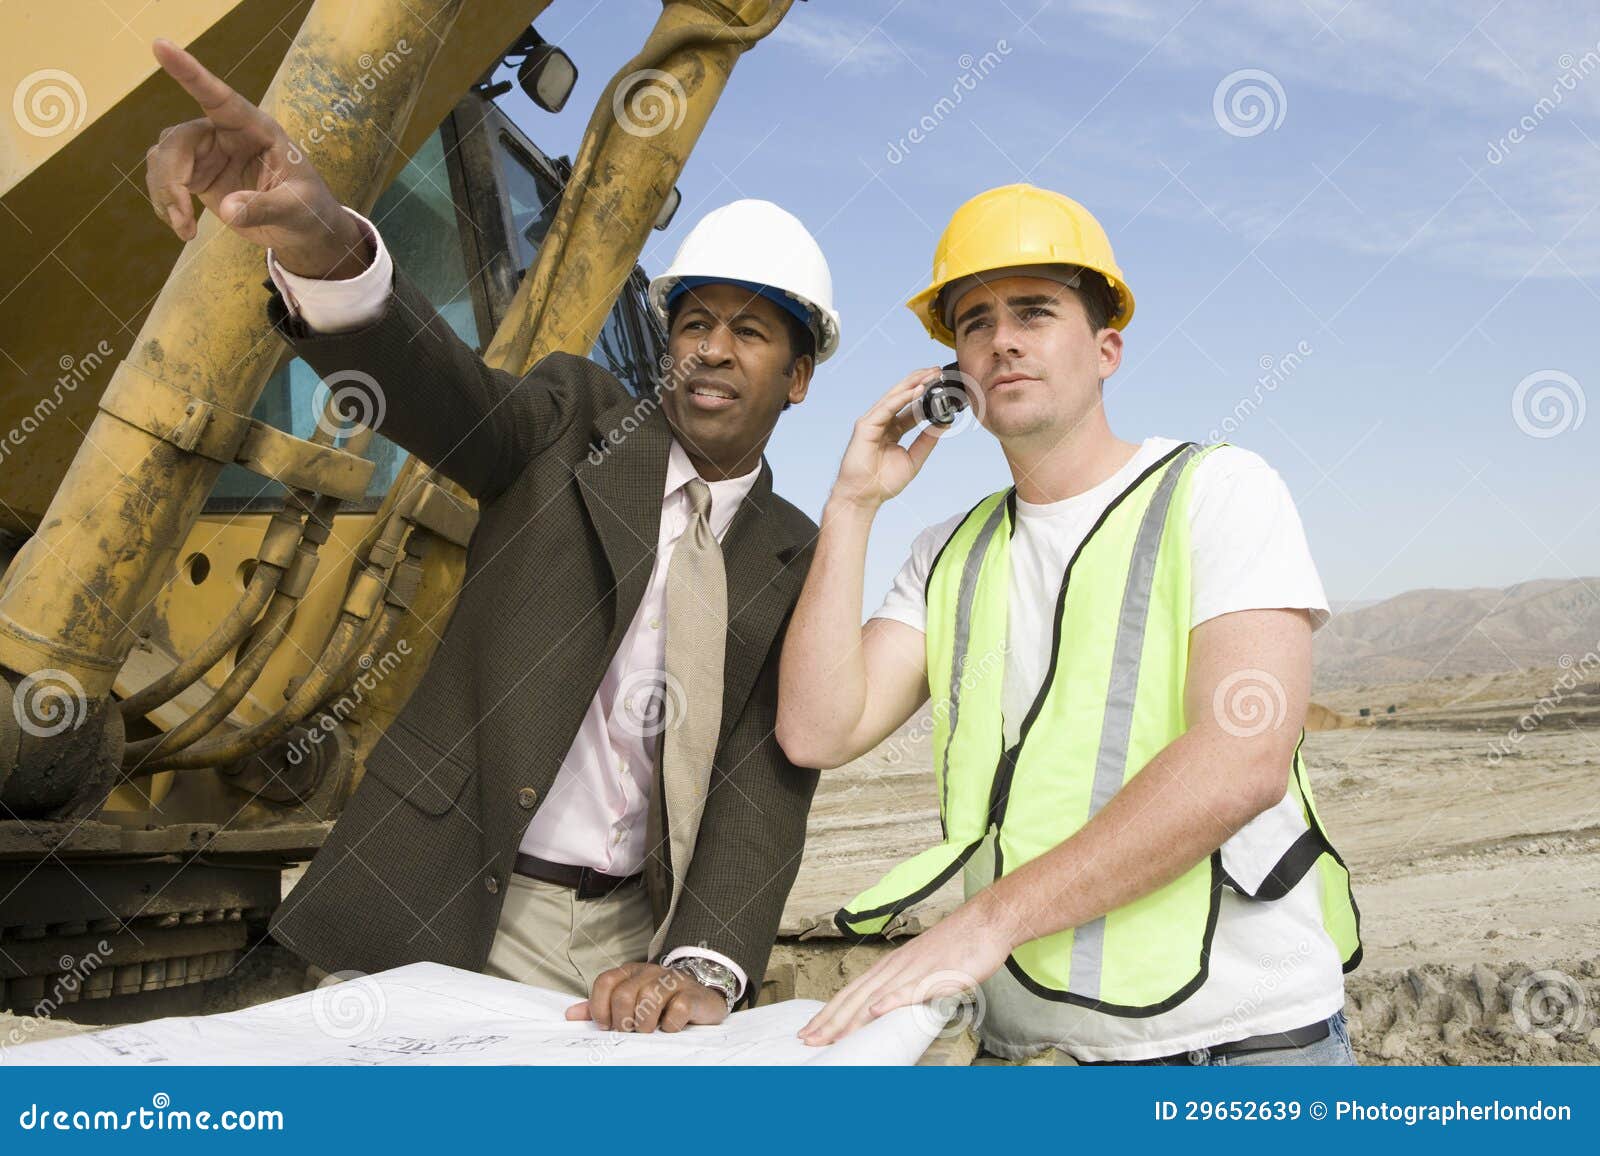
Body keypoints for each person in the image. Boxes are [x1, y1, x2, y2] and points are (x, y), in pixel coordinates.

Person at [144, 38, 840, 1034]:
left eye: (752, 330)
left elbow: (761, 779)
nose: (712, 349)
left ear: (799, 374)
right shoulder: (572, 419)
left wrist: (705, 961)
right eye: (694, 323)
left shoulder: (793, 552)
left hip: (632, 944)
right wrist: (325, 241)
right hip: (452, 897)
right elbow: (441, 393)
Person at [776, 183, 1360, 1064]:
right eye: (974, 322)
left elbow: (1243, 759)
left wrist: (987, 921)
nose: (1001, 337)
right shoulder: (949, 554)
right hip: (1035, 1054)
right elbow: (817, 728)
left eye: (1035, 311)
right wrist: (853, 501)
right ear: (956, 375)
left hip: (1238, 1048)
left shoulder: (1217, 492)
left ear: (1106, 348)